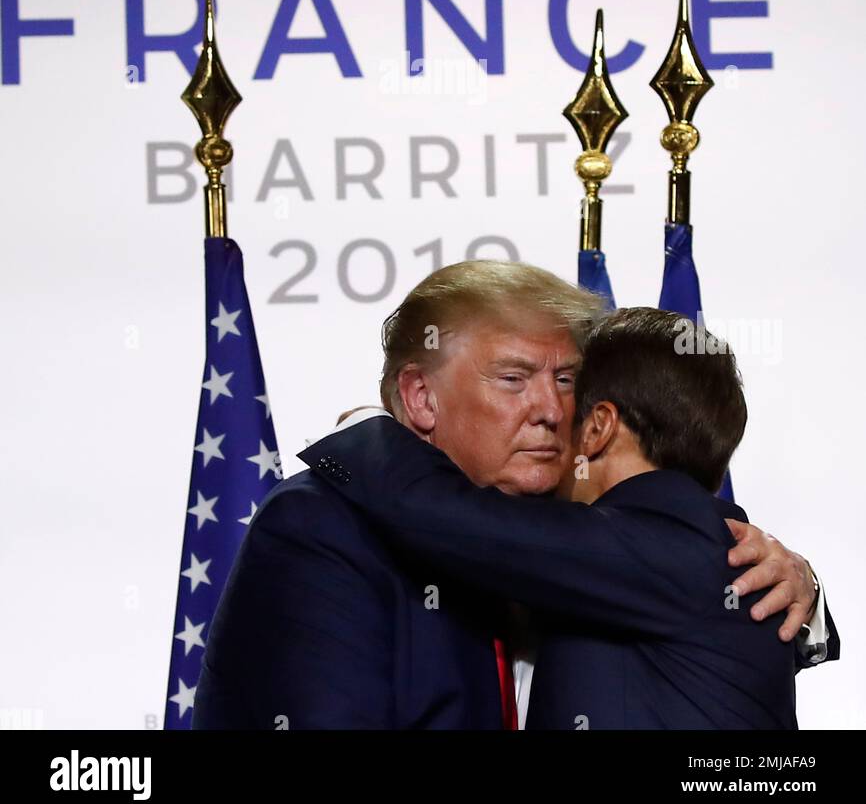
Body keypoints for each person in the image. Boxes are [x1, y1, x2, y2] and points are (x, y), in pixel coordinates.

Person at [192, 263, 831, 730]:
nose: (551, 410)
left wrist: (803, 592)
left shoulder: (584, 528)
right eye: (513, 378)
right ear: (420, 398)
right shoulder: (320, 527)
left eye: (567, 380)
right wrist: (360, 437)